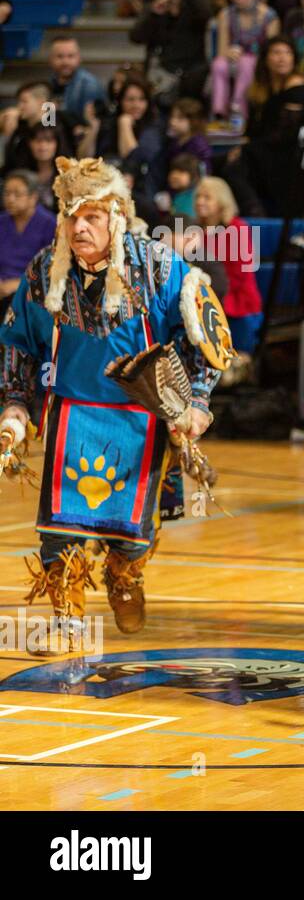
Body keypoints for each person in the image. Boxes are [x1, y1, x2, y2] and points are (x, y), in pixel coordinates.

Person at [0, 157, 224, 652]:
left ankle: (126, 576)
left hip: (140, 419)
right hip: (73, 413)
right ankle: (67, 620)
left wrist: (197, 405)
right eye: (71, 216)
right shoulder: (44, 272)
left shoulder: (159, 267)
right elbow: (19, 341)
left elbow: (203, 333)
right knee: (60, 530)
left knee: (130, 534)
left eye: (92, 217)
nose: (79, 227)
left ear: (117, 217)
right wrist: (15, 407)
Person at [219, 37, 304, 218]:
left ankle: (255, 213)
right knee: (221, 161)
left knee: (232, 169)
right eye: (277, 53)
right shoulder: (261, 89)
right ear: (265, 59)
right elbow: (253, 128)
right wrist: (243, 145)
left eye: (287, 53)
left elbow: (284, 135)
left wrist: (246, 149)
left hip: (290, 153)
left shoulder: (297, 90)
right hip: (265, 151)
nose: (282, 58)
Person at [129, 0, 214, 106]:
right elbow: (135, 37)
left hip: (191, 70)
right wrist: (152, 13)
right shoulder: (154, 8)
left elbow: (206, 15)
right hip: (162, 69)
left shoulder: (194, 8)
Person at [192, 176, 263, 353]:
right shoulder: (194, 230)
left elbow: (241, 274)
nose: (200, 201)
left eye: (207, 197)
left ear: (222, 201)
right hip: (205, 303)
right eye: (198, 197)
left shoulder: (238, 228)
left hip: (236, 305)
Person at [79, 76, 168, 206]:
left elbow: (134, 158)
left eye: (142, 99)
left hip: (141, 192)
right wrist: (94, 127)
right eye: (130, 100)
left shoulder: (154, 126)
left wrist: (124, 124)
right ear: (120, 101)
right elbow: (84, 157)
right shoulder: (109, 123)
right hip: (105, 190)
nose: (136, 105)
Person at [210, 0, 280, 129]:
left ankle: (238, 110)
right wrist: (228, 52)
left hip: (258, 60)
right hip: (233, 59)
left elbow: (270, 50)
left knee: (246, 64)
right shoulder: (226, 15)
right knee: (219, 64)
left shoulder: (268, 16)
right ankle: (218, 112)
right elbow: (221, 50)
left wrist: (249, 56)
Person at [0, 171, 58, 318]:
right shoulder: (2, 221)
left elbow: (51, 267)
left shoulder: (49, 223)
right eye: (7, 193)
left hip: (32, 288)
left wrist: (19, 283)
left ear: (33, 197)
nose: (10, 199)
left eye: (17, 194)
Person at [47, 37, 108, 131]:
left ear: (79, 58)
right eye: (59, 56)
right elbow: (47, 123)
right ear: (50, 59)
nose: (65, 62)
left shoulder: (90, 85)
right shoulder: (48, 85)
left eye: (70, 56)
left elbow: (90, 125)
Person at [165, 97, 213, 174]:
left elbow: (204, 172)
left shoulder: (198, 144)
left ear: (193, 121)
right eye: (172, 116)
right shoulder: (175, 141)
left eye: (180, 118)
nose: (172, 121)